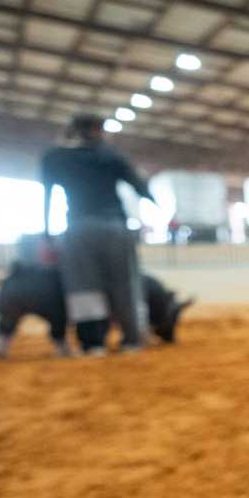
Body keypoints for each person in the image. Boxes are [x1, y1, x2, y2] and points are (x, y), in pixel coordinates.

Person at [36, 113, 153, 356]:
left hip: (79, 229)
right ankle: (132, 339)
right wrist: (162, 210)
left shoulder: (56, 158)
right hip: (115, 227)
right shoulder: (110, 155)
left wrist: (47, 235)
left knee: (84, 288)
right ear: (98, 130)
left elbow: (47, 196)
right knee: (126, 285)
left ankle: (93, 343)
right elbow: (139, 186)